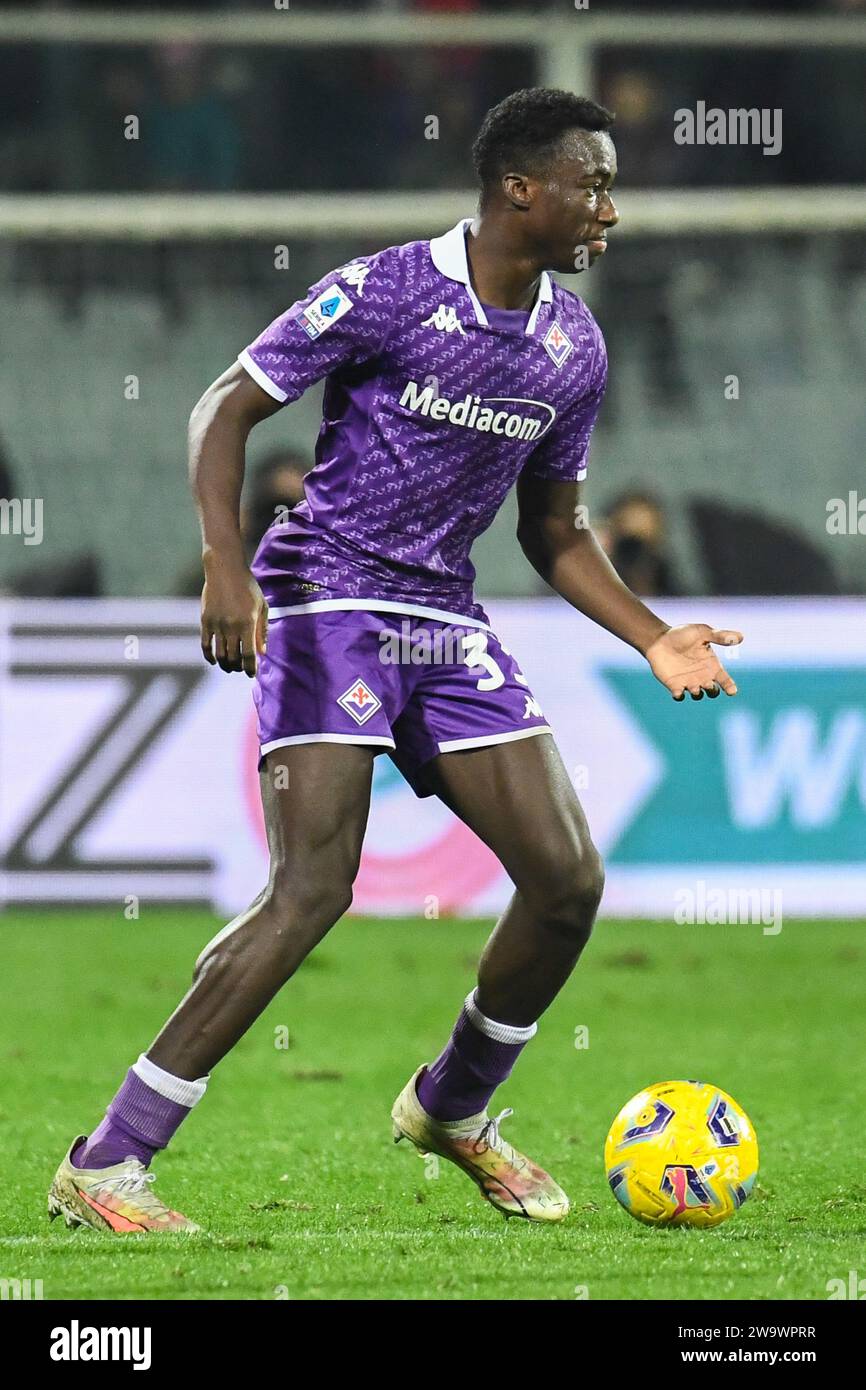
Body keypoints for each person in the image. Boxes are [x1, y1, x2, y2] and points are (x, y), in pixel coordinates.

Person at [49, 87, 742, 1234]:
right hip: (328, 596)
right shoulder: (386, 290)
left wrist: (650, 631)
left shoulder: (572, 346)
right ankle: (110, 1157)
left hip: (444, 618)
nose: (608, 210)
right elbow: (224, 405)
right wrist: (227, 565)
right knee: (313, 887)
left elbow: (554, 532)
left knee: (566, 879)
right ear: (522, 188)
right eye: (593, 183)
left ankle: (449, 1107)